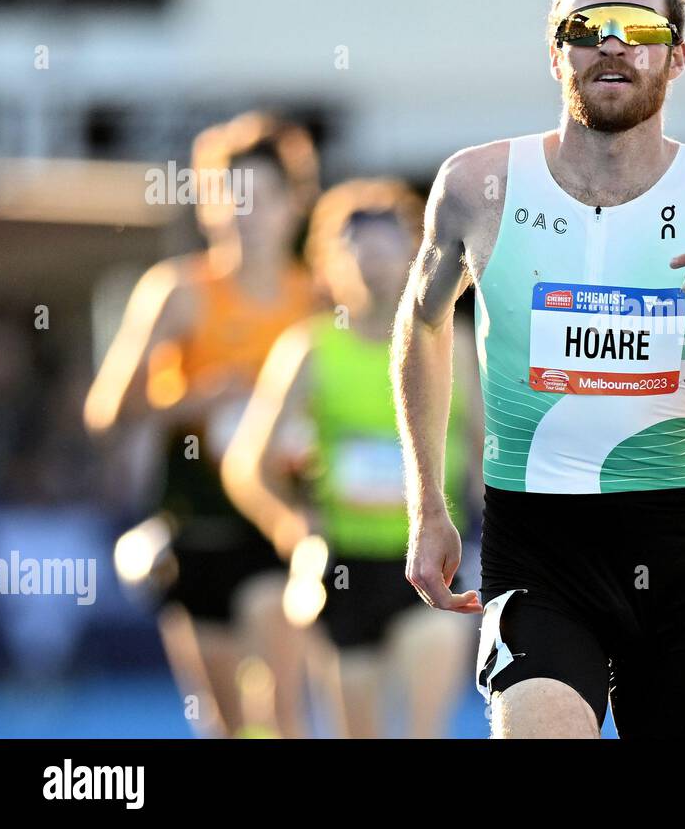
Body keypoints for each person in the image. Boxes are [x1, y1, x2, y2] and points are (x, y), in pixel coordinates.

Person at [391, 0, 685, 738]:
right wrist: (427, 504)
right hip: (536, 542)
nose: (613, 43)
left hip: (675, 549)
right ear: (556, 49)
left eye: (639, 28)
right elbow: (421, 322)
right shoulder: (477, 185)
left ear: (677, 55)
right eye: (586, 25)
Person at [84, 112, 318, 738]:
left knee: (283, 712)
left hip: (281, 529)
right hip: (195, 531)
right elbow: (106, 413)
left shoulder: (320, 301)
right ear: (210, 204)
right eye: (232, 196)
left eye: (265, 198)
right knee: (228, 727)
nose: (248, 215)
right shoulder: (178, 292)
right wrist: (197, 400)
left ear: (294, 206)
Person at [223, 179, 477, 737]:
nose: (374, 266)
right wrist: (295, 525)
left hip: (433, 564)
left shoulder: (452, 346)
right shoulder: (311, 348)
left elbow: (488, 455)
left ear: (415, 256)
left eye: (388, 251)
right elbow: (249, 465)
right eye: (357, 252)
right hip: (343, 570)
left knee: (420, 726)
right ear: (328, 264)